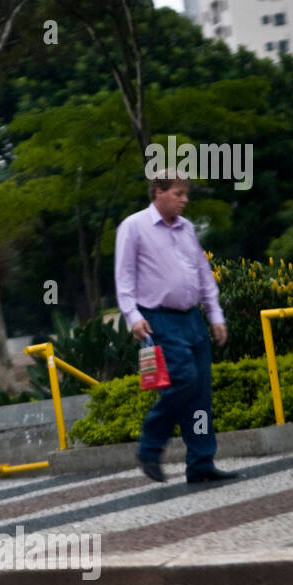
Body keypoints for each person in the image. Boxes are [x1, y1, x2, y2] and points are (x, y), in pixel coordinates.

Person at [114, 169, 240, 485]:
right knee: (184, 380)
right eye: (178, 193)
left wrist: (216, 315)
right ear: (158, 192)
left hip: (192, 318)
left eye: (186, 194)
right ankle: (150, 446)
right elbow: (124, 277)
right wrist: (132, 316)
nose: (184, 200)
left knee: (200, 394)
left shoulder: (186, 229)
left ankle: (200, 463)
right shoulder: (133, 227)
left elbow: (203, 273)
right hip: (158, 318)